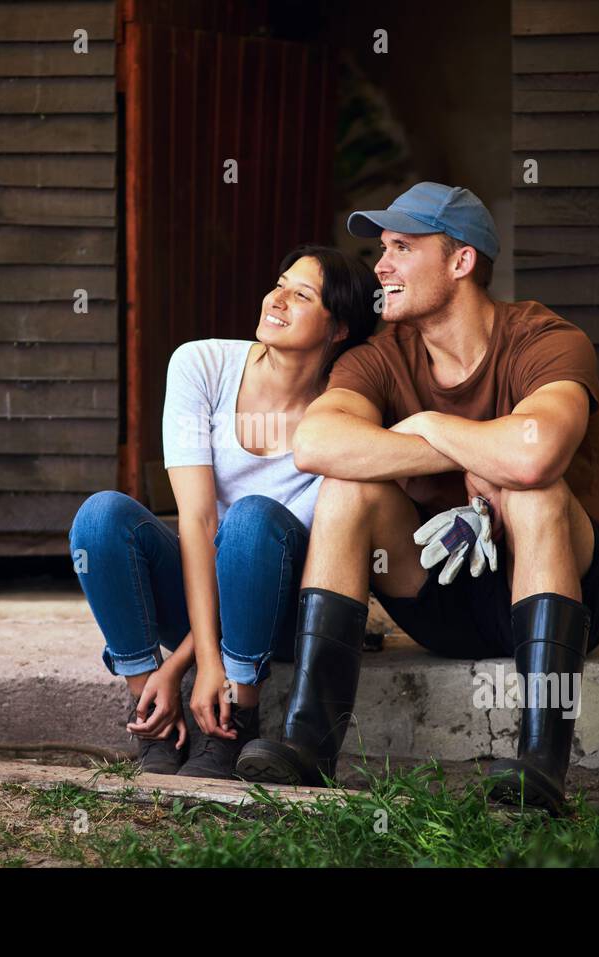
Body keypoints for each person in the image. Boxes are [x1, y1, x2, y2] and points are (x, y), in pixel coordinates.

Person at [236, 183, 599, 814]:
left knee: (532, 492)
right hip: (439, 591)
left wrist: (428, 426)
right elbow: (316, 443)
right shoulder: (379, 356)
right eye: (380, 249)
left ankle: (540, 766)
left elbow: (533, 454)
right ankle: (308, 745)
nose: (380, 266)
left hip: (568, 593)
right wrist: (472, 452)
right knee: (348, 485)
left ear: (461, 261)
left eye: (401, 247)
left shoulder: (545, 339)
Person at [69, 245, 381, 777]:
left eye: (301, 295)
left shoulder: (344, 415)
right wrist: (181, 666)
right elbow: (197, 522)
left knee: (253, 518)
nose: (276, 299)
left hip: (280, 612)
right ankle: (151, 711)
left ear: (339, 330)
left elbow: (262, 543)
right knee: (101, 518)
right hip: (203, 598)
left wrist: (202, 663)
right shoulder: (202, 364)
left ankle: (236, 715)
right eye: (279, 283)